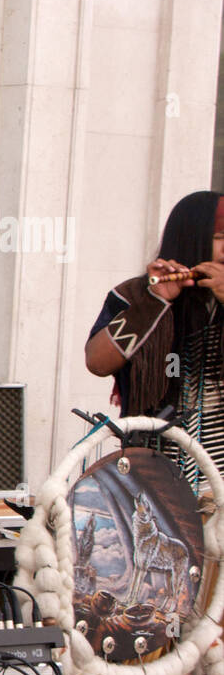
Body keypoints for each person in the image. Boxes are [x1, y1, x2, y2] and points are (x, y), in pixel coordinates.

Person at [85, 191, 224, 486]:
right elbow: (97, 362)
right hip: (153, 476)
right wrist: (154, 303)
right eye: (220, 237)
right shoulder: (137, 293)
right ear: (192, 237)